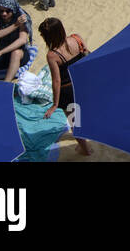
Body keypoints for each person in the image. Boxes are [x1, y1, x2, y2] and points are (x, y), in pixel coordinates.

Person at [38, 18, 92, 156]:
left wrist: (55, 104)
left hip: (67, 91)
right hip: (83, 84)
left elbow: (56, 80)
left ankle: (85, 150)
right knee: (86, 112)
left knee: (75, 122)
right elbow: (88, 57)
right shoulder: (76, 38)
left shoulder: (52, 55)